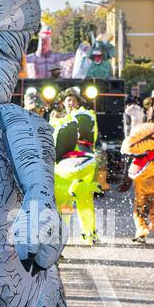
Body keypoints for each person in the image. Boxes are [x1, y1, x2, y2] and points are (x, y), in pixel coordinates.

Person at [52, 87, 101, 244]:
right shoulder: (56, 119)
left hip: (83, 166)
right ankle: (60, 238)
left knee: (84, 199)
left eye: (74, 100)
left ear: (79, 102)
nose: (71, 103)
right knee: (62, 203)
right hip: (62, 168)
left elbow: (90, 135)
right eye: (68, 100)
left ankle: (89, 234)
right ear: (63, 103)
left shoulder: (87, 116)